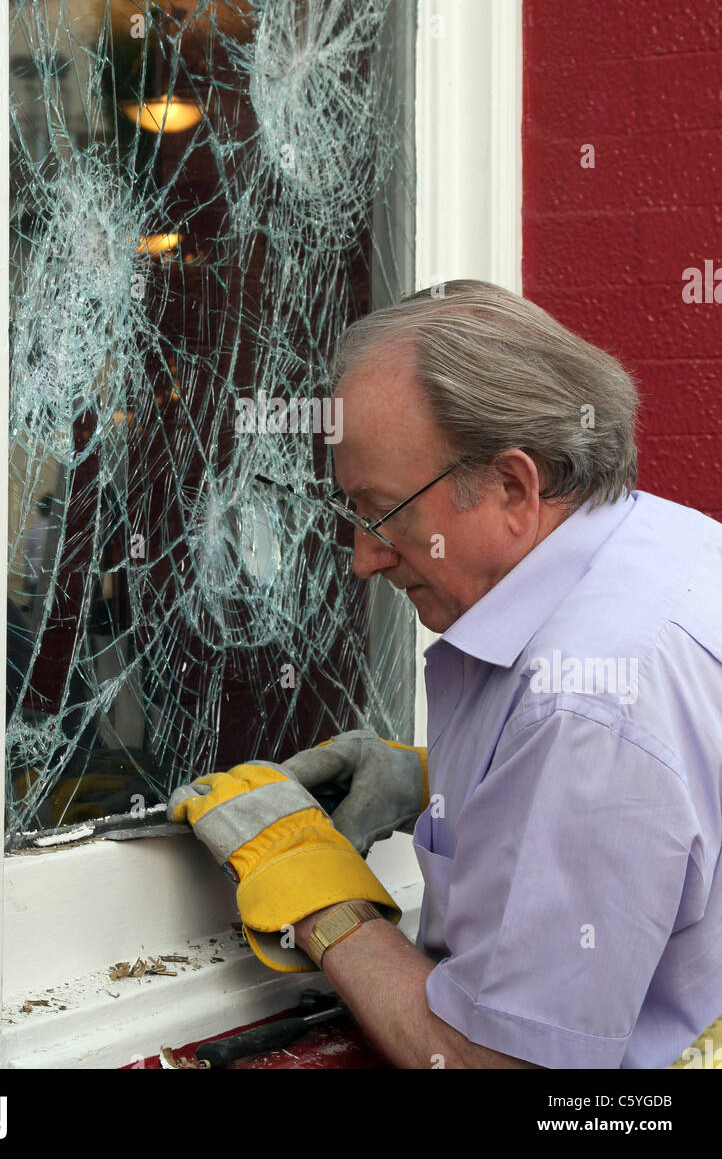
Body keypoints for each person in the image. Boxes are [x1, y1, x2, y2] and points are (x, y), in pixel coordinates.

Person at [169, 280, 722, 1069]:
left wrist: (325, 902)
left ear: (512, 487)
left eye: (386, 512)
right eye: (354, 517)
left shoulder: (585, 712)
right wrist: (457, 784)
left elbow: (493, 1068)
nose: (365, 559)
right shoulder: (669, 545)